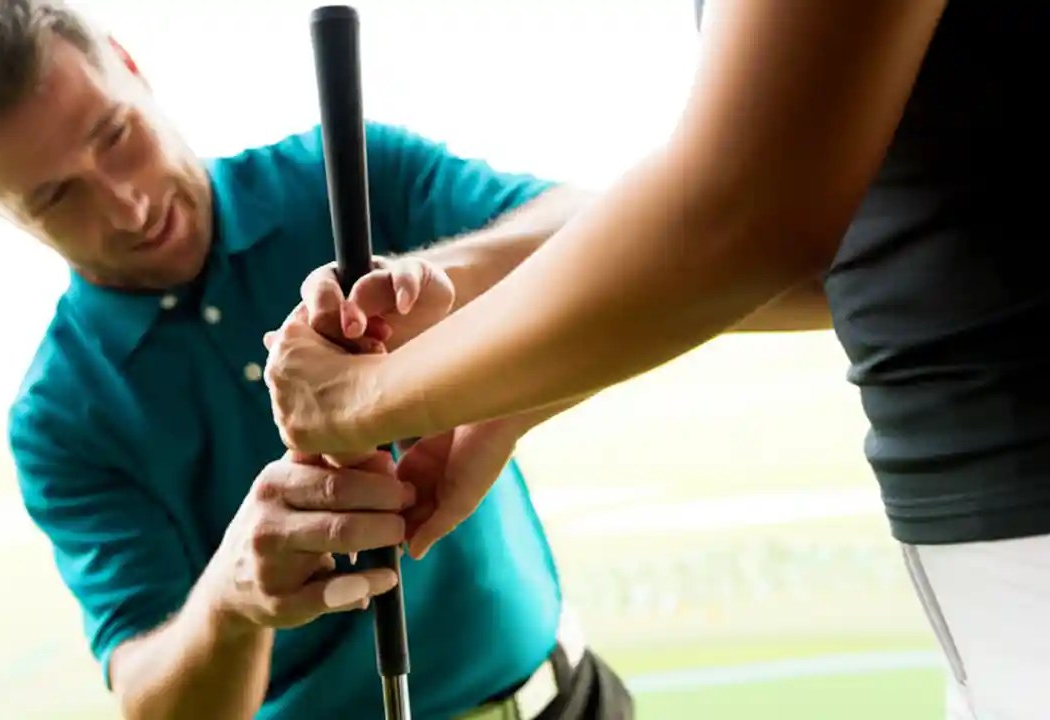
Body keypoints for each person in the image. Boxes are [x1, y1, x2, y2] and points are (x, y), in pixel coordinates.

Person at [263, 1, 1050, 718]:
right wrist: (474, 329)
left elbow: (746, 210)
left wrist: (363, 401)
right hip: (993, 560)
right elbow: (850, 257)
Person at [0, 1, 643, 719]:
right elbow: (156, 708)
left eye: (116, 135)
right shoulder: (59, 416)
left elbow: (615, 235)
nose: (127, 206)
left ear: (128, 64)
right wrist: (233, 599)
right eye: (58, 197)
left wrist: (431, 282)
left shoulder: (344, 174)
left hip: (569, 702)